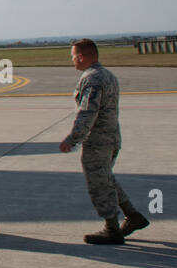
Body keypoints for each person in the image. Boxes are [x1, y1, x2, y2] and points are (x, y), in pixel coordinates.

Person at [60, 38, 148, 244]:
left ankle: (112, 228)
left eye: (73, 56)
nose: (72, 60)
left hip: (98, 141)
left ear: (81, 57)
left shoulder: (92, 79)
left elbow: (87, 113)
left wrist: (72, 139)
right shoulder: (107, 75)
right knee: (106, 178)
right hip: (111, 137)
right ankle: (133, 216)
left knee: (99, 184)